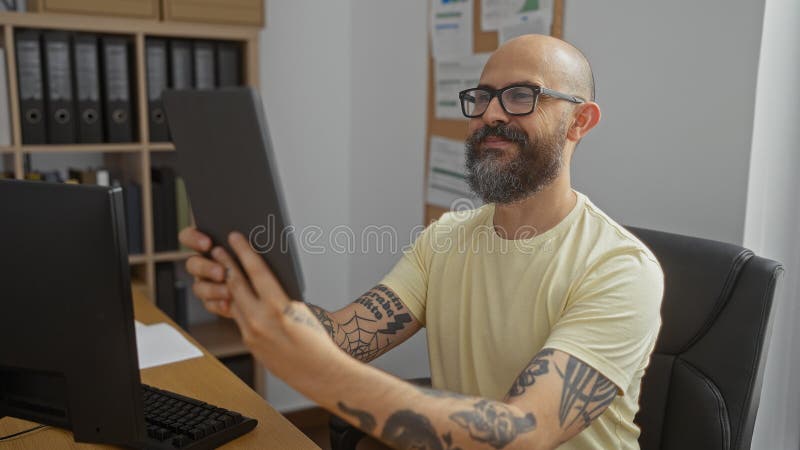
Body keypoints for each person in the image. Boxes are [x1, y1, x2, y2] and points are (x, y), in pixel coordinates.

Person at [179, 34, 664, 450]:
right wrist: (256, 297)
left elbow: (525, 434)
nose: (490, 114)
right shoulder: (448, 237)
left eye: (520, 96)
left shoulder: (620, 269)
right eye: (483, 97)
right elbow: (347, 339)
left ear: (580, 121)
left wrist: (319, 374)